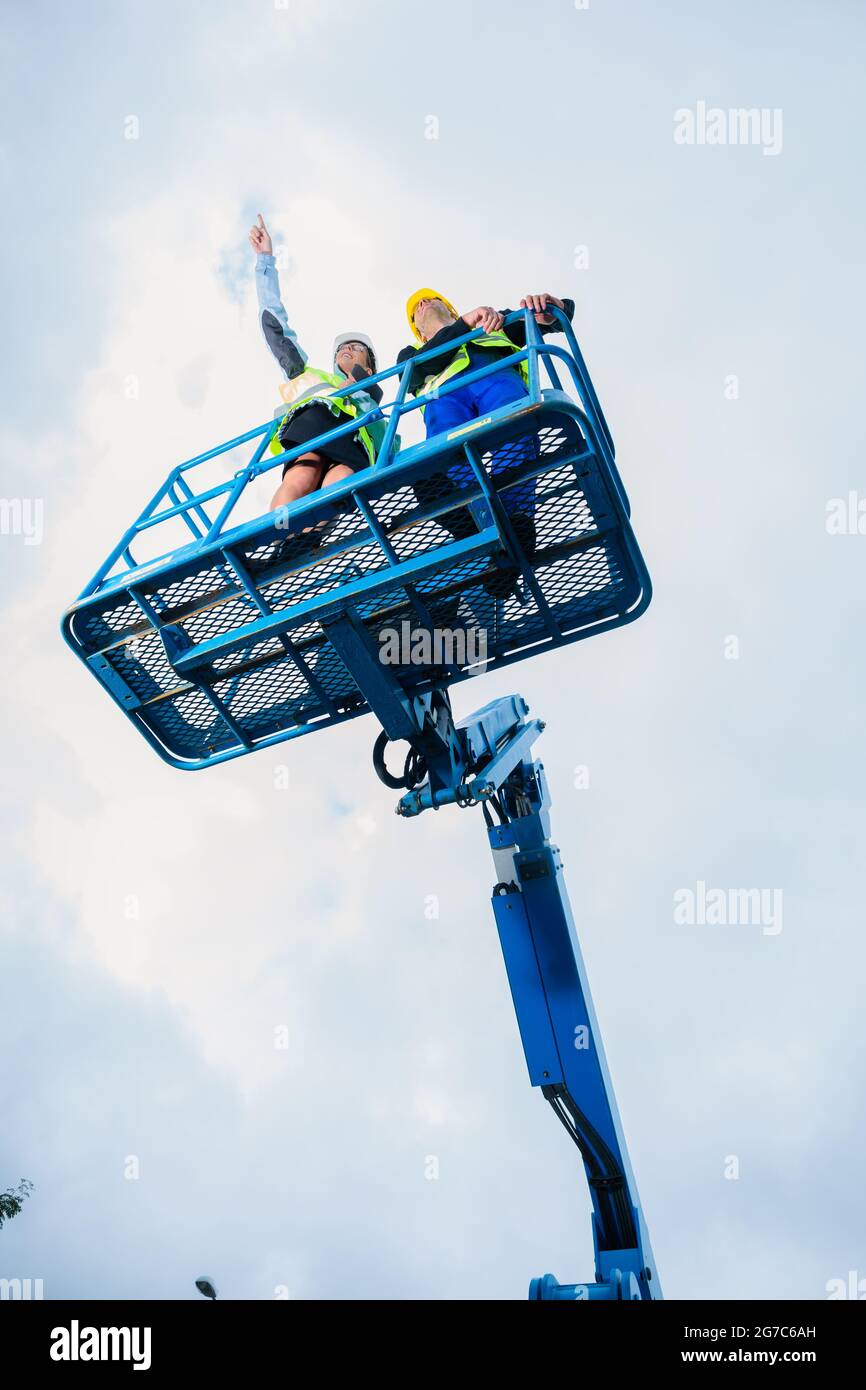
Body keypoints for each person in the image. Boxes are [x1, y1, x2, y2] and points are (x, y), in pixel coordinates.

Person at [397, 289, 575, 596]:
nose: (422, 304)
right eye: (416, 310)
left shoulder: (494, 322)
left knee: (513, 426)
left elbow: (553, 319)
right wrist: (464, 325)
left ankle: (511, 526)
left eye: (430, 299)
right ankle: (490, 528)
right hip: (446, 400)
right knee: (445, 457)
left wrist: (550, 309)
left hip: (495, 377)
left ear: (450, 308)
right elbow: (412, 373)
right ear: (418, 331)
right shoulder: (412, 353)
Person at [249, 214, 387, 536]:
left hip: (354, 440)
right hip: (313, 427)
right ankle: (281, 540)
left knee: (336, 482)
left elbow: (387, 449)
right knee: (301, 477)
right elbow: (274, 324)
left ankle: (309, 542)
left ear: (369, 367)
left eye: (357, 348)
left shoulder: (376, 409)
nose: (347, 350)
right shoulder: (307, 374)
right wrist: (265, 262)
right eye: (342, 348)